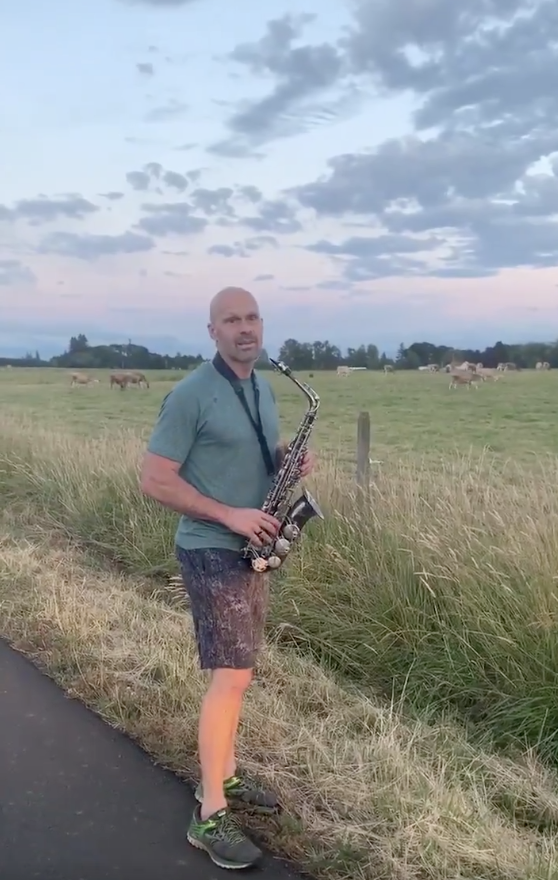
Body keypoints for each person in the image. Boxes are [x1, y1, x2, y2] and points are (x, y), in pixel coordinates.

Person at [140, 286, 317, 870]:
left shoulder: (261, 388)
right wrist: (228, 514)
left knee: (236, 675)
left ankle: (228, 773)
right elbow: (156, 479)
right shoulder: (192, 394)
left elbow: (249, 457)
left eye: (252, 317)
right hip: (213, 547)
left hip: (251, 549)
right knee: (232, 678)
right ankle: (209, 811)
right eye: (231, 320)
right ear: (212, 331)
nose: (245, 328)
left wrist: (288, 456)